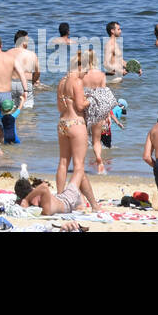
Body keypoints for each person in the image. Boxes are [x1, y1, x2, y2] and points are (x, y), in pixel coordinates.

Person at [56, 57, 90, 196]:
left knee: (63, 162)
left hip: (62, 123)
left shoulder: (61, 82)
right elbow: (80, 106)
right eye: (86, 70)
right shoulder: (77, 81)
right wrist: (89, 100)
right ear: (80, 67)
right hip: (76, 123)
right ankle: (75, 198)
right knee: (79, 166)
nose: (86, 74)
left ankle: (59, 195)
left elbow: (59, 107)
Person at [80, 48, 117, 174]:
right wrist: (107, 114)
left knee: (84, 138)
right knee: (96, 140)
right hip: (98, 107)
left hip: (85, 106)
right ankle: (99, 161)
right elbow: (104, 96)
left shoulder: (82, 74)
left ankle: (80, 163)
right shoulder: (101, 75)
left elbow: (80, 93)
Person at [16, 174, 98, 216]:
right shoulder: (39, 200)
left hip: (64, 200)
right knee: (80, 173)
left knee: (77, 185)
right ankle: (94, 206)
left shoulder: (34, 201)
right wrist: (27, 199)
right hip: (67, 201)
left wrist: (26, 200)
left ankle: (81, 202)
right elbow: (44, 186)